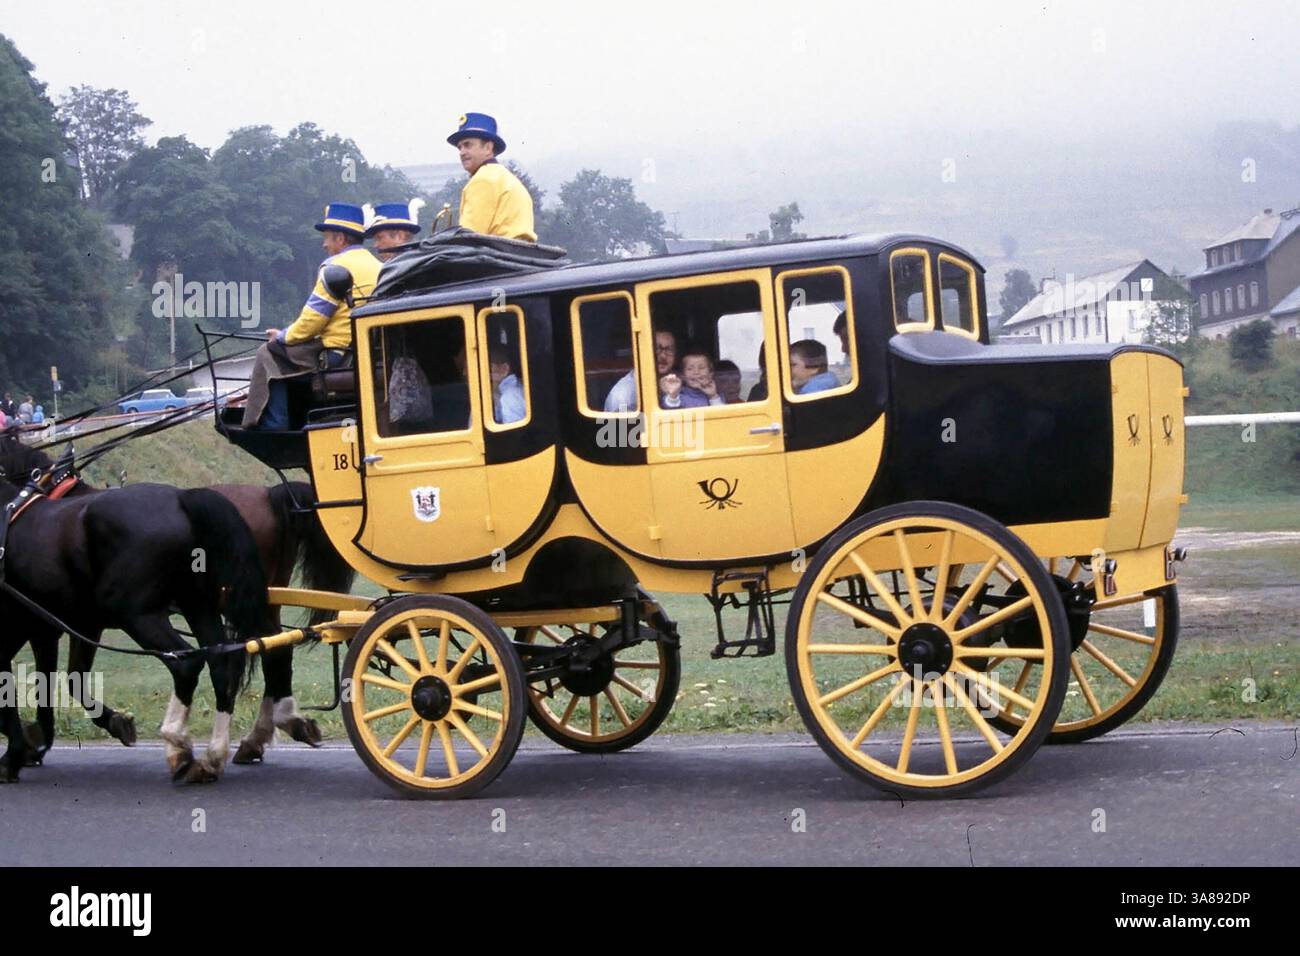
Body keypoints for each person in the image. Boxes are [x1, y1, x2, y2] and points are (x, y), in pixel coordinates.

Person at [243, 202, 381, 430]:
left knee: (268, 353)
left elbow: (312, 322)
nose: (324, 244)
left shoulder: (335, 267)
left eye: (327, 237)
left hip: (336, 354)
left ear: (340, 239)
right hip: (362, 350)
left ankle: (271, 426)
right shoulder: (377, 266)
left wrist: (282, 337)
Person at [447, 112, 537, 242]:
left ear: (488, 148)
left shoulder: (483, 179)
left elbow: (469, 237)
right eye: (459, 147)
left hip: (492, 257)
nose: (462, 152)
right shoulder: (507, 179)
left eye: (468, 145)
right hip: (517, 255)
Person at [604, 328, 678, 413]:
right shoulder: (623, 395)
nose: (663, 356)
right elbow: (620, 427)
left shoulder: (678, 381)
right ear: (642, 351)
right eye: (657, 349)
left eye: (669, 349)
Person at [489, 346, 526, 424]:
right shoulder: (505, 393)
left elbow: (515, 433)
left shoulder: (510, 395)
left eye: (489, 368)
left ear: (504, 368)